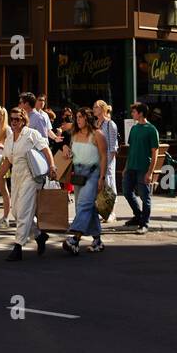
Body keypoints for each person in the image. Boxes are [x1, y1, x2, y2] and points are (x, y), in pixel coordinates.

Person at [0, 105, 56, 261]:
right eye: (12, 119)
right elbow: (7, 160)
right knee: (17, 212)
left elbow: (46, 149)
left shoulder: (32, 134)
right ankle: (39, 236)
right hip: (16, 177)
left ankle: (18, 247)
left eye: (17, 119)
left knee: (24, 211)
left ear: (23, 120)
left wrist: (51, 165)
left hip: (31, 177)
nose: (14, 122)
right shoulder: (10, 138)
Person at [62, 106, 107, 254]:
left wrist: (102, 177)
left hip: (93, 173)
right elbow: (69, 150)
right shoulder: (74, 134)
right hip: (78, 173)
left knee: (84, 205)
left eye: (81, 117)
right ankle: (97, 241)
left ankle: (75, 239)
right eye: (77, 117)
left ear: (87, 119)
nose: (78, 120)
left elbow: (104, 156)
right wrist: (65, 149)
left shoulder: (98, 134)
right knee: (88, 208)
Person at [122, 102, 159, 233]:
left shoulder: (151, 129)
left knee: (145, 197)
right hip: (131, 167)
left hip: (143, 168)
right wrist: (126, 167)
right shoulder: (134, 128)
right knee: (126, 192)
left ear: (141, 113)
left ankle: (145, 223)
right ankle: (138, 216)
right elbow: (131, 149)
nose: (132, 114)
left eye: (134, 112)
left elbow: (155, 153)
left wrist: (150, 172)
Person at [94, 100, 119, 199]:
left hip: (107, 160)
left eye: (96, 107)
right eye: (94, 107)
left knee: (108, 185)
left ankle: (111, 211)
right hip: (96, 160)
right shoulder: (95, 124)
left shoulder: (110, 124)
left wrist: (108, 165)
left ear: (102, 108)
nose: (93, 109)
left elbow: (113, 148)